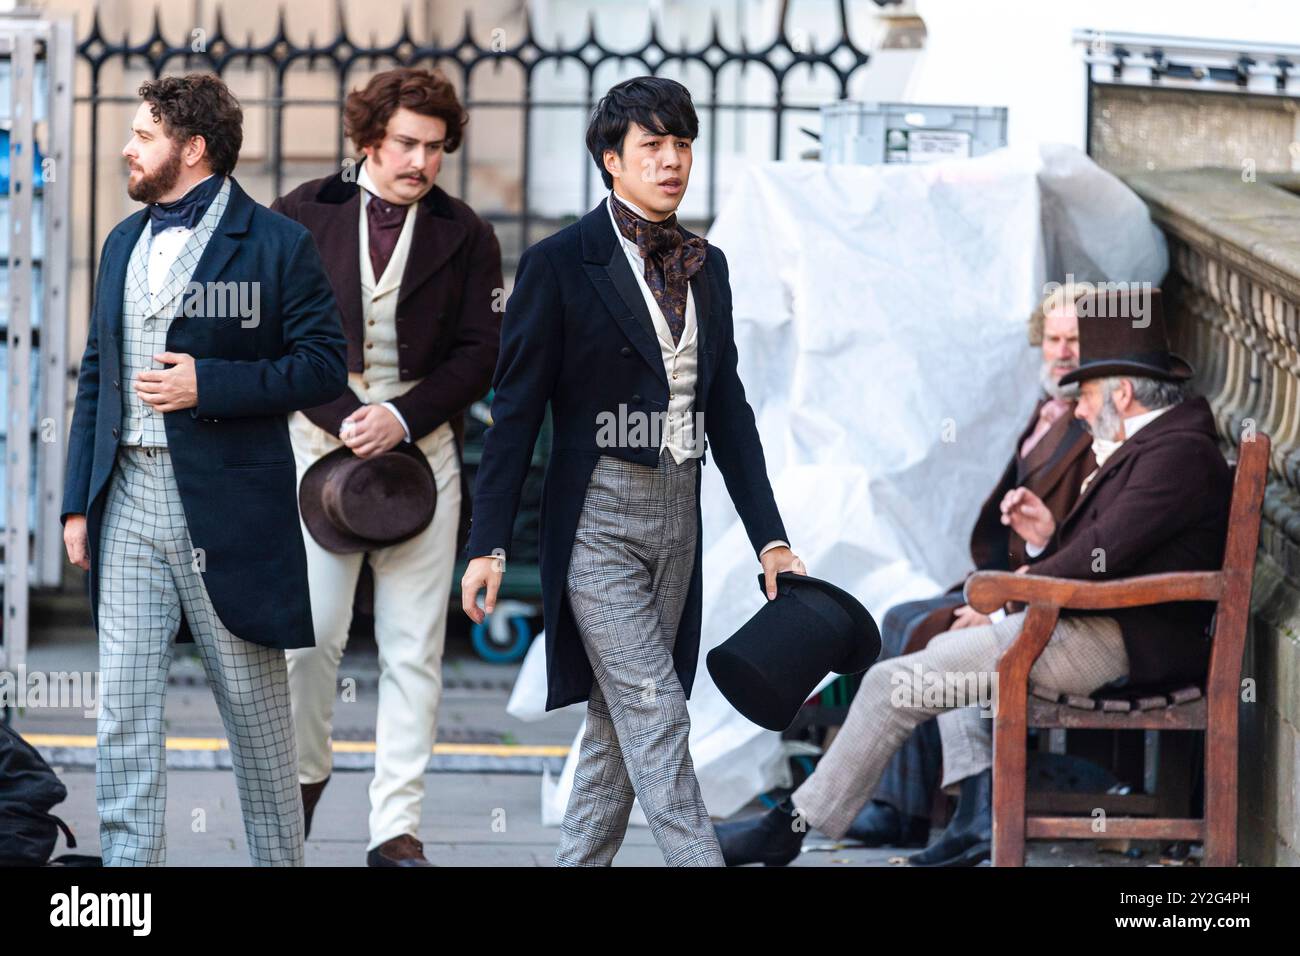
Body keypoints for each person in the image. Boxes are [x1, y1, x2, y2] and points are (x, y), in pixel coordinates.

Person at [715, 287, 1232, 867]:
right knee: (949, 651)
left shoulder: (1175, 454)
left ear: (1125, 393)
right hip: (1096, 627)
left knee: (892, 685)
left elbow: (1102, 556)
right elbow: (1098, 552)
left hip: (1119, 641)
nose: (1080, 410)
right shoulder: (1161, 445)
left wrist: (1006, 598)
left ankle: (789, 828)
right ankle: (976, 817)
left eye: (1085, 394)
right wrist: (1022, 580)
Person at [460, 76, 805, 866]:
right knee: (657, 710)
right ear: (611, 160)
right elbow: (514, 416)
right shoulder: (558, 264)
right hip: (597, 518)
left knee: (619, 726)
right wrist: (488, 545)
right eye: (653, 145)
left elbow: (731, 414)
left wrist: (771, 542)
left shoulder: (706, 265)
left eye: (682, 143)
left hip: (678, 513)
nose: (673, 160)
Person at [60, 73, 348, 866]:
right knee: (122, 711)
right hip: (127, 499)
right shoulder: (122, 240)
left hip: (230, 509)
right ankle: (128, 882)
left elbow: (323, 366)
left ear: (192, 148)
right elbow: (98, 373)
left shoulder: (277, 243)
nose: (127, 147)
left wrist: (206, 385)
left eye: (143, 134)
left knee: (256, 718)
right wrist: (77, 504)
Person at [272, 67, 502, 867]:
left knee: (415, 650)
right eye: (406, 143)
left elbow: (482, 352)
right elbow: (277, 337)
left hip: (423, 458)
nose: (422, 161)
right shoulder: (303, 214)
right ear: (369, 138)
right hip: (317, 450)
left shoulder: (467, 233)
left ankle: (394, 831)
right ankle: (300, 782)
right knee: (308, 644)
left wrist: (403, 417)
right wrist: (346, 418)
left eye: (436, 148)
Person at [849, 286, 1094, 851]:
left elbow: (1079, 544)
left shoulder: (1093, 423)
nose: (1061, 353)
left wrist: (998, 604)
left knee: (923, 633)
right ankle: (903, 805)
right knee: (899, 617)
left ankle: (933, 810)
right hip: (1008, 581)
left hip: (1040, 595)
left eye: (1074, 341)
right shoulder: (1049, 409)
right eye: (1053, 340)